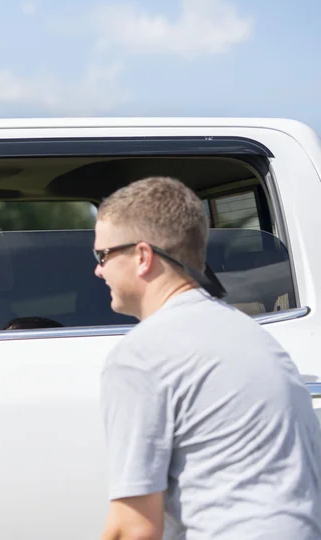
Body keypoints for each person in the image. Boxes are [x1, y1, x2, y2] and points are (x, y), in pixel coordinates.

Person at [94, 176, 321, 540]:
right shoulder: (253, 336)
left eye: (102, 255)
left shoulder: (142, 356)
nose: (98, 270)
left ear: (142, 256)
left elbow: (134, 528)